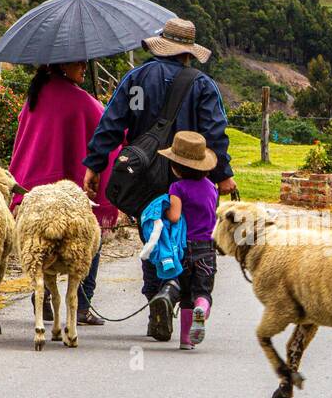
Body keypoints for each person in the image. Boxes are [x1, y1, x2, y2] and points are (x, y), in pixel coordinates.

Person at [82, 18, 236, 341]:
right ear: (188, 54)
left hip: (145, 179)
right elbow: (215, 135)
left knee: (155, 237)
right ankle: (180, 296)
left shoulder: (135, 79)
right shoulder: (202, 86)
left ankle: (157, 295)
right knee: (190, 240)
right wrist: (223, 176)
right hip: (191, 179)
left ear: (161, 45)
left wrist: (95, 165)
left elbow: (111, 124)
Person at [10, 61, 119, 326]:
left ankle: (42, 295)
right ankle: (82, 305)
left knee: (41, 244)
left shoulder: (35, 96)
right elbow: (109, 131)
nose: (83, 67)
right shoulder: (80, 100)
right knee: (90, 240)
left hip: (36, 192)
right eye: (78, 63)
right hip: (71, 196)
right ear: (61, 65)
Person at [149, 131, 219, 349]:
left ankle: (186, 341)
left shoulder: (176, 188)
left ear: (176, 167)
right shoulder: (212, 188)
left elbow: (176, 216)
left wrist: (164, 211)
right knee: (203, 292)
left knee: (186, 293)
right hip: (206, 248)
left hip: (183, 248)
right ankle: (202, 309)